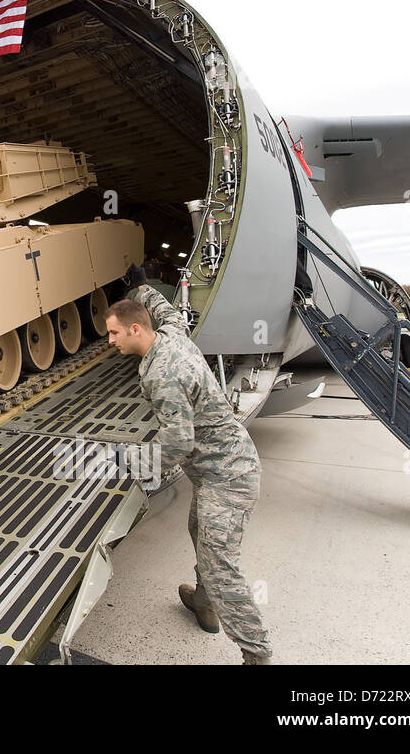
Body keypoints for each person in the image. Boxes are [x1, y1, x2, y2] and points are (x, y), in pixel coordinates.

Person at [105, 264, 273, 665]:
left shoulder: (164, 375)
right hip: (222, 467)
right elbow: (169, 312)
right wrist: (142, 288)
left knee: (221, 566)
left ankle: (257, 654)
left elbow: (178, 443)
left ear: (133, 330)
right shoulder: (170, 335)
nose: (109, 340)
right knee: (199, 528)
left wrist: (133, 462)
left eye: (113, 332)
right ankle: (204, 602)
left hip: (228, 477)